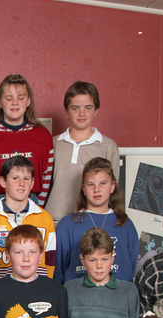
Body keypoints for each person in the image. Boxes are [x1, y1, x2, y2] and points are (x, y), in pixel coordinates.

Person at [0, 74, 54, 210]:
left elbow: (46, 177)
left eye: (21, 98)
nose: (15, 103)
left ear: (28, 101)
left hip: (30, 202)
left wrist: (37, 207)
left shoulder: (43, 136)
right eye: (9, 98)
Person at [44, 81, 119, 222]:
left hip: (91, 220)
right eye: (75, 108)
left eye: (88, 108)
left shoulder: (108, 146)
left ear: (96, 111)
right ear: (66, 112)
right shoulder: (52, 144)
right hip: (54, 219)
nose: (82, 113)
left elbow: (113, 190)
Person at [55, 157, 138, 284]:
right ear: (83, 188)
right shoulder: (68, 224)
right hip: (77, 298)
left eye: (103, 183)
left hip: (116, 297)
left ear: (112, 186)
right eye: (91, 184)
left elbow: (130, 266)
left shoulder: (125, 224)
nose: (96, 190)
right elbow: (59, 270)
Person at [0, 156, 56, 286]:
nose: (22, 183)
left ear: (32, 182)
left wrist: (47, 289)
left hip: (36, 290)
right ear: (3, 181)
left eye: (26, 178)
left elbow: (50, 262)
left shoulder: (45, 218)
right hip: (0, 292)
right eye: (15, 178)